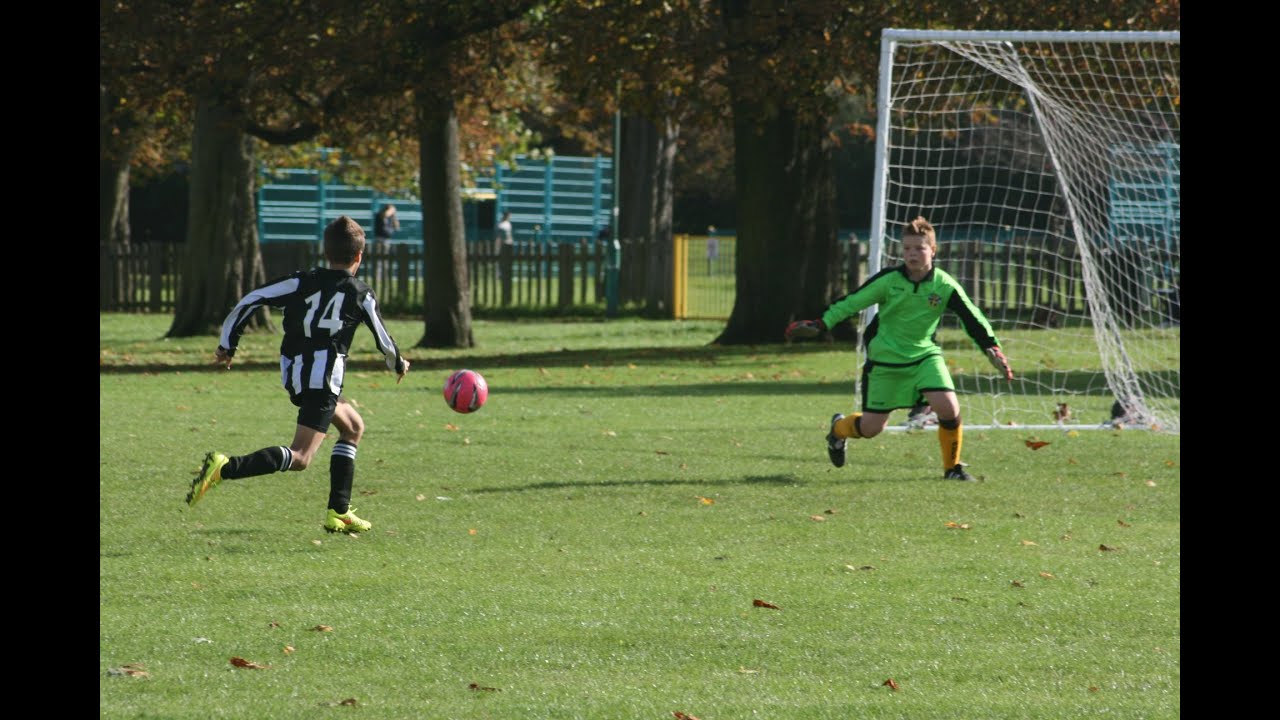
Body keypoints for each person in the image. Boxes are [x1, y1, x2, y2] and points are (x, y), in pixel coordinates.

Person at [185, 215, 411, 533]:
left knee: (353, 427)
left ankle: (339, 512)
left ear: (325, 251)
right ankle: (225, 467)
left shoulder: (301, 281)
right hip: (323, 379)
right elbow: (383, 339)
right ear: (359, 256)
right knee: (302, 457)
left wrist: (227, 344)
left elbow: (252, 299)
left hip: (295, 373)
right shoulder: (361, 293)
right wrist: (397, 363)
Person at [785, 216, 1013, 481]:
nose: (912, 254)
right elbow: (852, 302)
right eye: (906, 249)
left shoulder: (944, 285)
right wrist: (822, 324)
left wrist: (991, 347)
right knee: (871, 428)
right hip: (885, 363)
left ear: (933, 250)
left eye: (919, 248)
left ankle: (953, 469)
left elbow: (973, 318)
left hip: (924, 356)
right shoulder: (889, 280)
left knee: (949, 408)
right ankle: (838, 430)